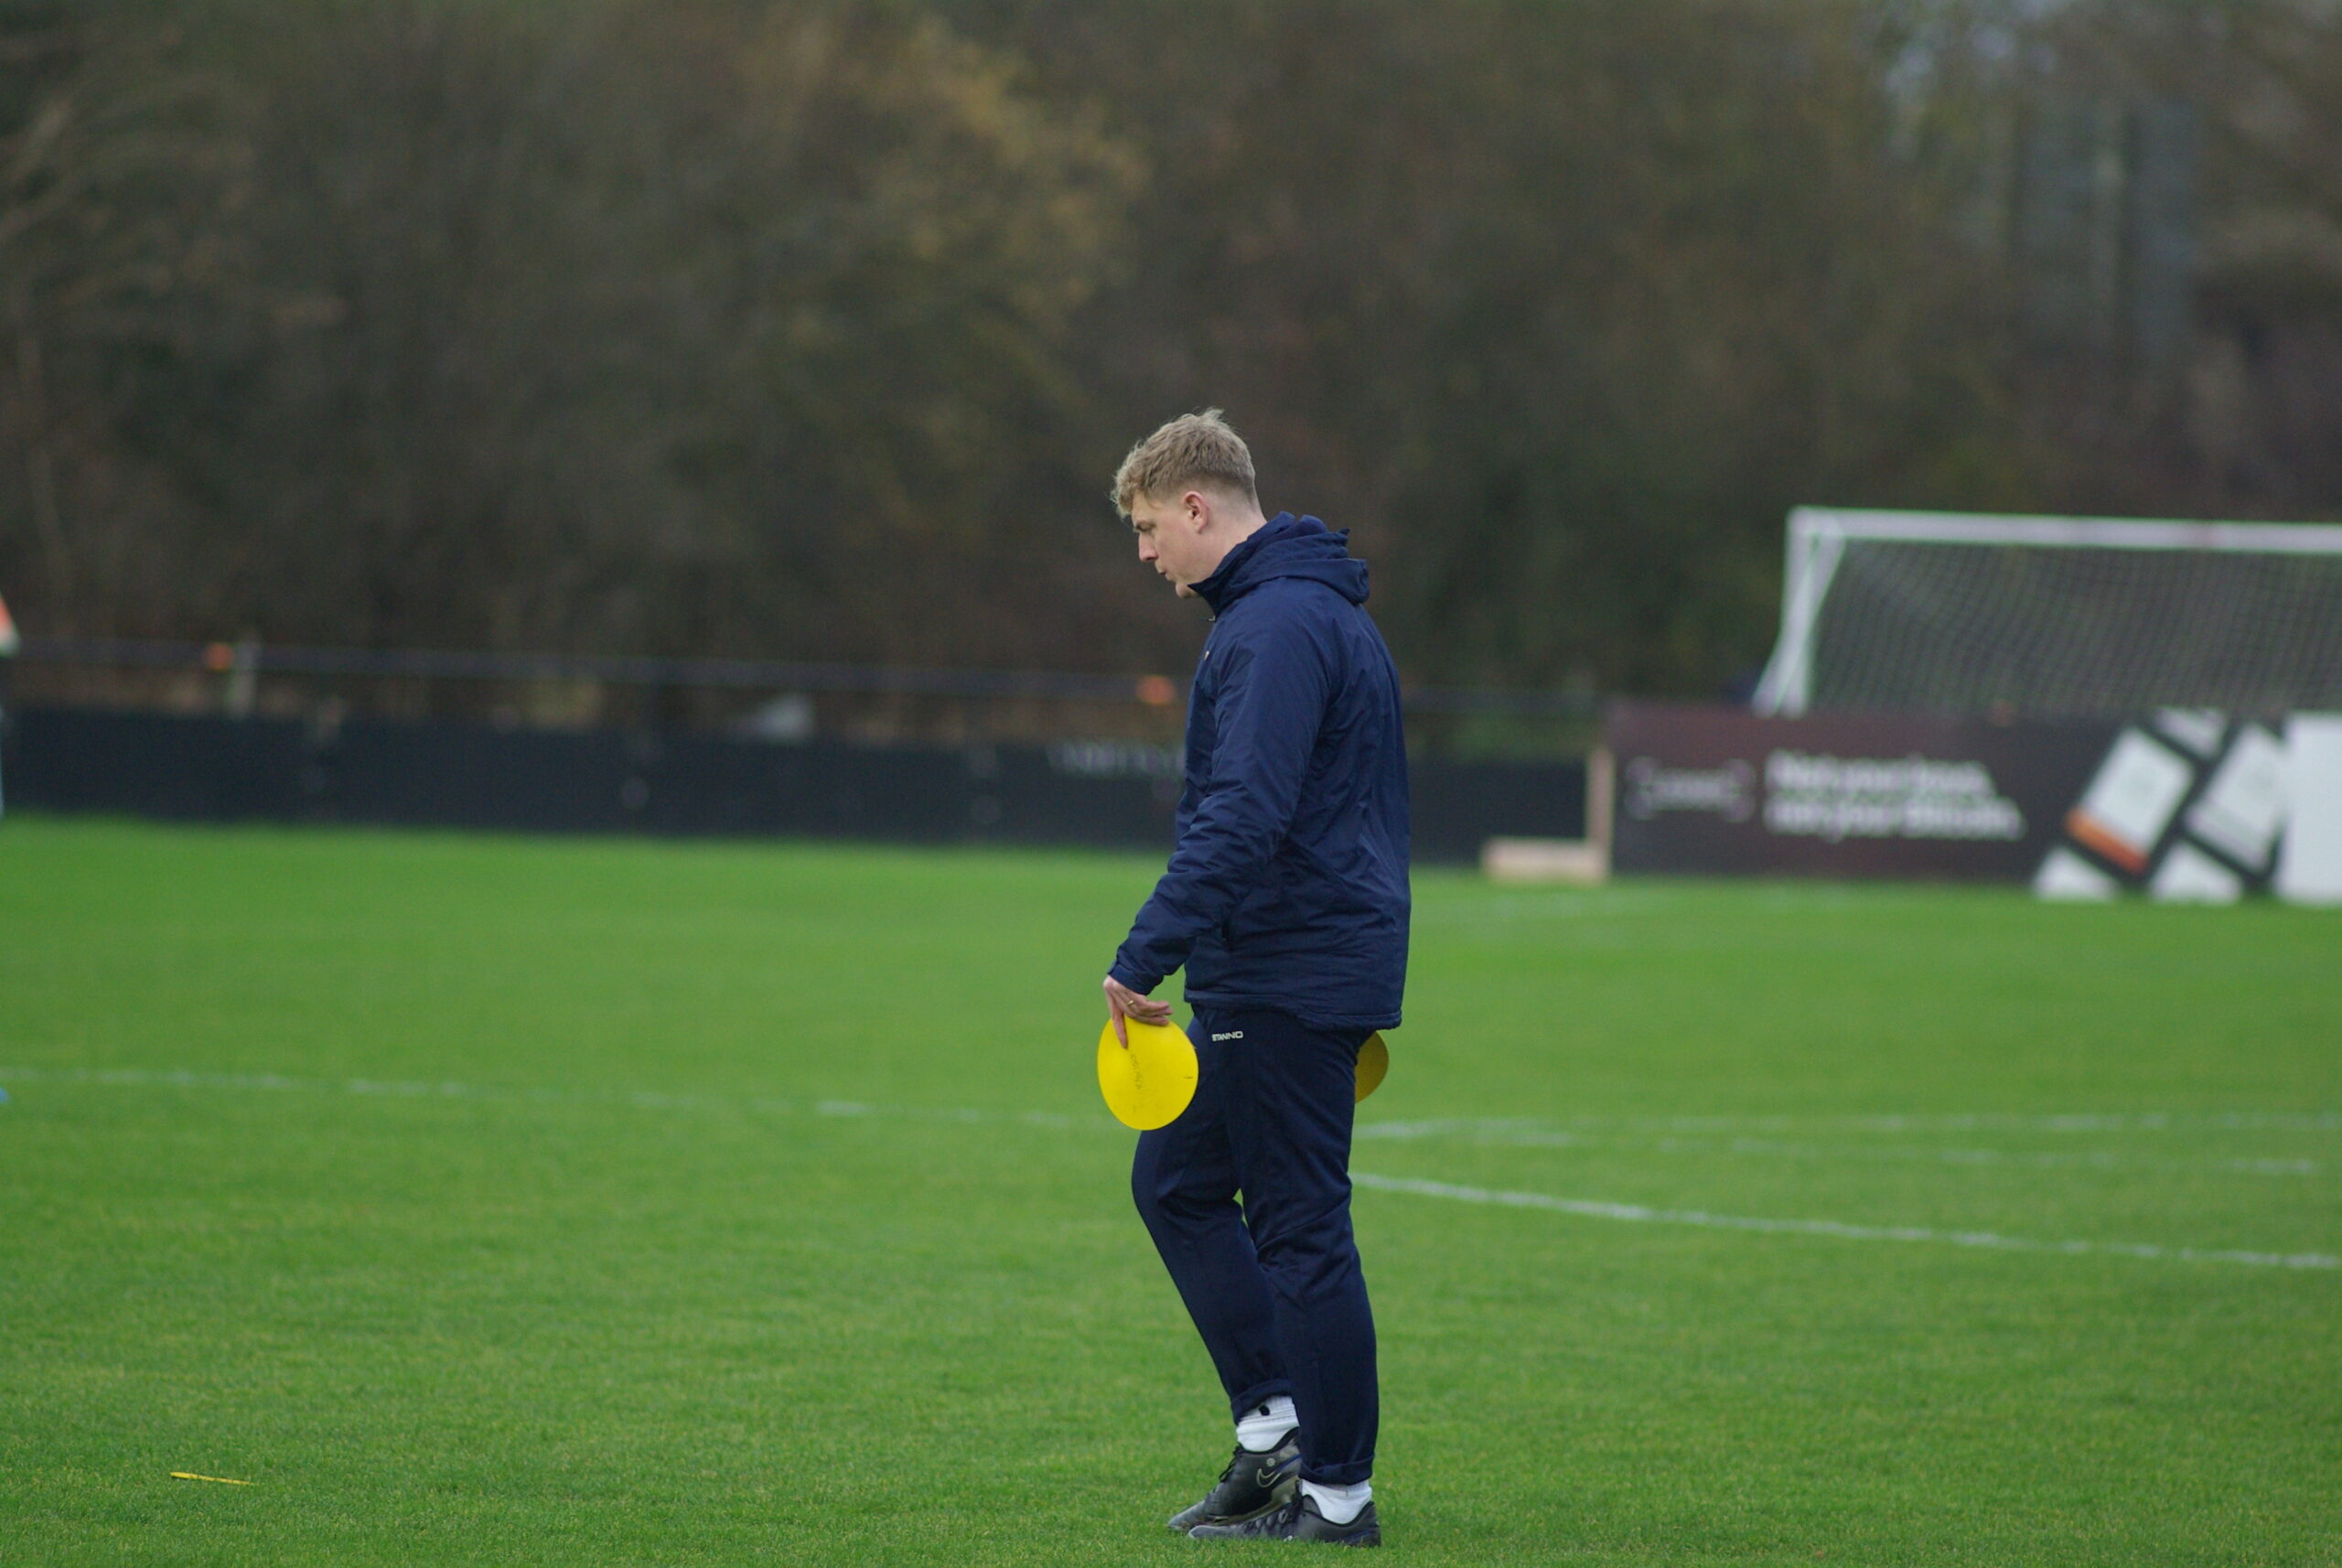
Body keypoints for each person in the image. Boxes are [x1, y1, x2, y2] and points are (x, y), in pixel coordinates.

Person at [1101, 411, 1410, 1547]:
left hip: (1290, 971)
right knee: (1175, 1182)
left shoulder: (1277, 624)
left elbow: (1247, 812)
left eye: (1146, 528)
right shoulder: (1296, 610)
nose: (1144, 555)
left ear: (1196, 506)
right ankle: (1275, 1427)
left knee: (1300, 1231)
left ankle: (1336, 1498)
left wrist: (1144, 956)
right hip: (1286, 963)